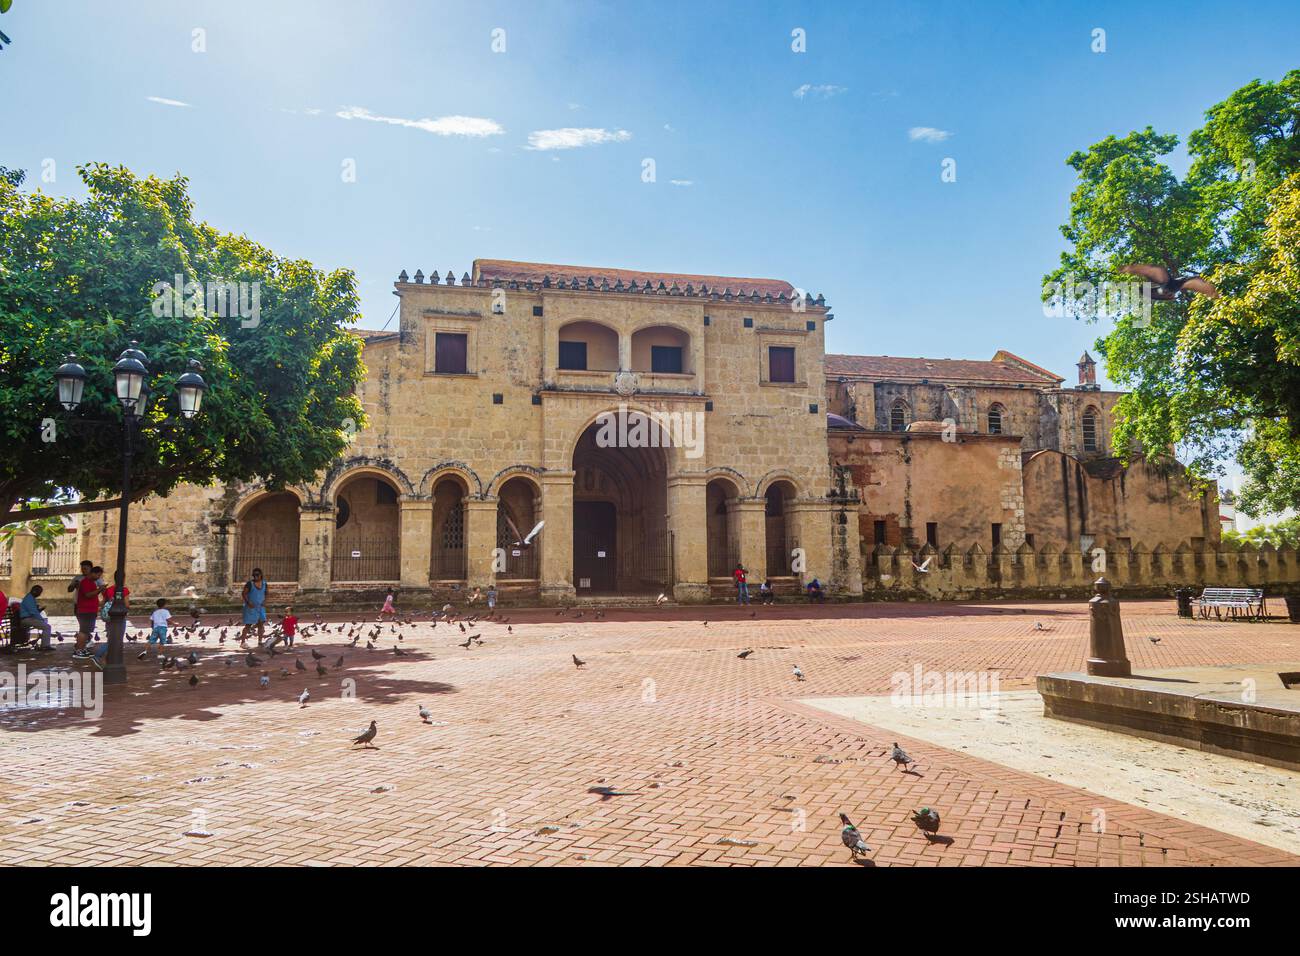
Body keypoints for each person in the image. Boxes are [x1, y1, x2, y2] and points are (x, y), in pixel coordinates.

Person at [71, 560, 104, 652]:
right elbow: (88, 595)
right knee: (83, 631)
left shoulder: (92, 582)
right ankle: (79, 650)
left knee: (86, 631)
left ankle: (82, 648)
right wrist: (99, 590)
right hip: (85, 610)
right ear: (93, 573)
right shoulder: (85, 582)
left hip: (90, 610)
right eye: (98, 575)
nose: (99, 578)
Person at [18, 585, 54, 651]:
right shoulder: (29, 599)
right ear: (34, 591)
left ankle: (45, 645)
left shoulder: (30, 598)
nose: (39, 594)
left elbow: (33, 611)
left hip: (28, 618)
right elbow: (33, 612)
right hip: (26, 619)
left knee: (46, 626)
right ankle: (45, 646)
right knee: (47, 627)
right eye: (39, 592)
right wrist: (41, 620)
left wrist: (39, 610)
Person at [239, 568, 268, 645]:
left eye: (257, 575)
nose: (255, 576)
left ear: (261, 575)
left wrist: (265, 601)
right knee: (248, 625)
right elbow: (244, 593)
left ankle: (260, 641)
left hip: (260, 607)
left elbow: (266, 593)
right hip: (251, 608)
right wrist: (248, 602)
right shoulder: (250, 584)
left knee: (261, 624)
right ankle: (243, 642)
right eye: (254, 575)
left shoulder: (264, 584)